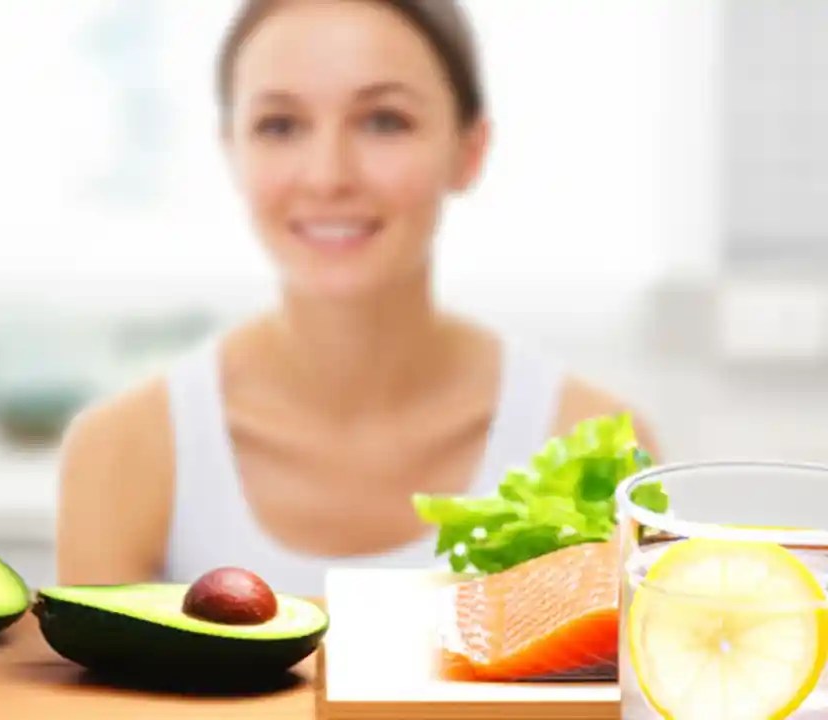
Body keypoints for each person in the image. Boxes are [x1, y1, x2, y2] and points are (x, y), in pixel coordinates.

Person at [54, 0, 660, 597]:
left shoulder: (594, 446)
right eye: (279, 126)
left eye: (384, 122)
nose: (328, 176)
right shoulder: (123, 452)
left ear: (469, 149)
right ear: (232, 151)